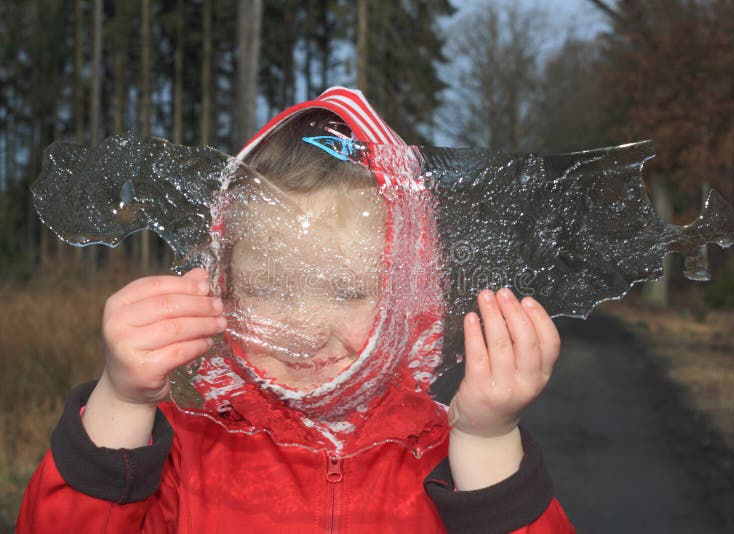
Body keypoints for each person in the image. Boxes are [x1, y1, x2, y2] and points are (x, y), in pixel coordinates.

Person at [17, 87, 576, 533]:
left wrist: (486, 444)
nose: (307, 332)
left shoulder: (448, 462)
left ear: (412, 294)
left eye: (347, 291)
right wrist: (122, 402)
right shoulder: (180, 457)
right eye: (272, 289)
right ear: (224, 287)